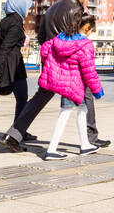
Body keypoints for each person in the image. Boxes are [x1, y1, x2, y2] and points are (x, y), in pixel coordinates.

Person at [2, 0, 111, 151]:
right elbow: (76, 40)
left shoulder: (51, 8)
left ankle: (14, 134)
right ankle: (91, 139)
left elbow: (41, 36)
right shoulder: (77, 10)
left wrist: (50, 54)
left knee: (40, 98)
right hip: (68, 64)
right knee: (87, 94)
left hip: (50, 60)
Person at [38, 15, 105, 158]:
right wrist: (97, 91)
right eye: (91, 30)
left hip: (68, 84)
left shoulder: (59, 38)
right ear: (86, 27)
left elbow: (44, 50)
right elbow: (89, 71)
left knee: (83, 109)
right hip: (74, 85)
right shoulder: (85, 44)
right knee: (65, 113)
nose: (91, 33)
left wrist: (57, 66)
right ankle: (52, 149)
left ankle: (85, 144)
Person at [0, 0, 34, 140]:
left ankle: (19, 130)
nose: (29, 11)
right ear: (19, 6)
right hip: (12, 67)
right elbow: (6, 47)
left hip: (2, 63)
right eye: (28, 8)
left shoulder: (2, 23)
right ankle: (18, 131)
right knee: (22, 98)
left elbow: (1, 47)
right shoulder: (16, 25)